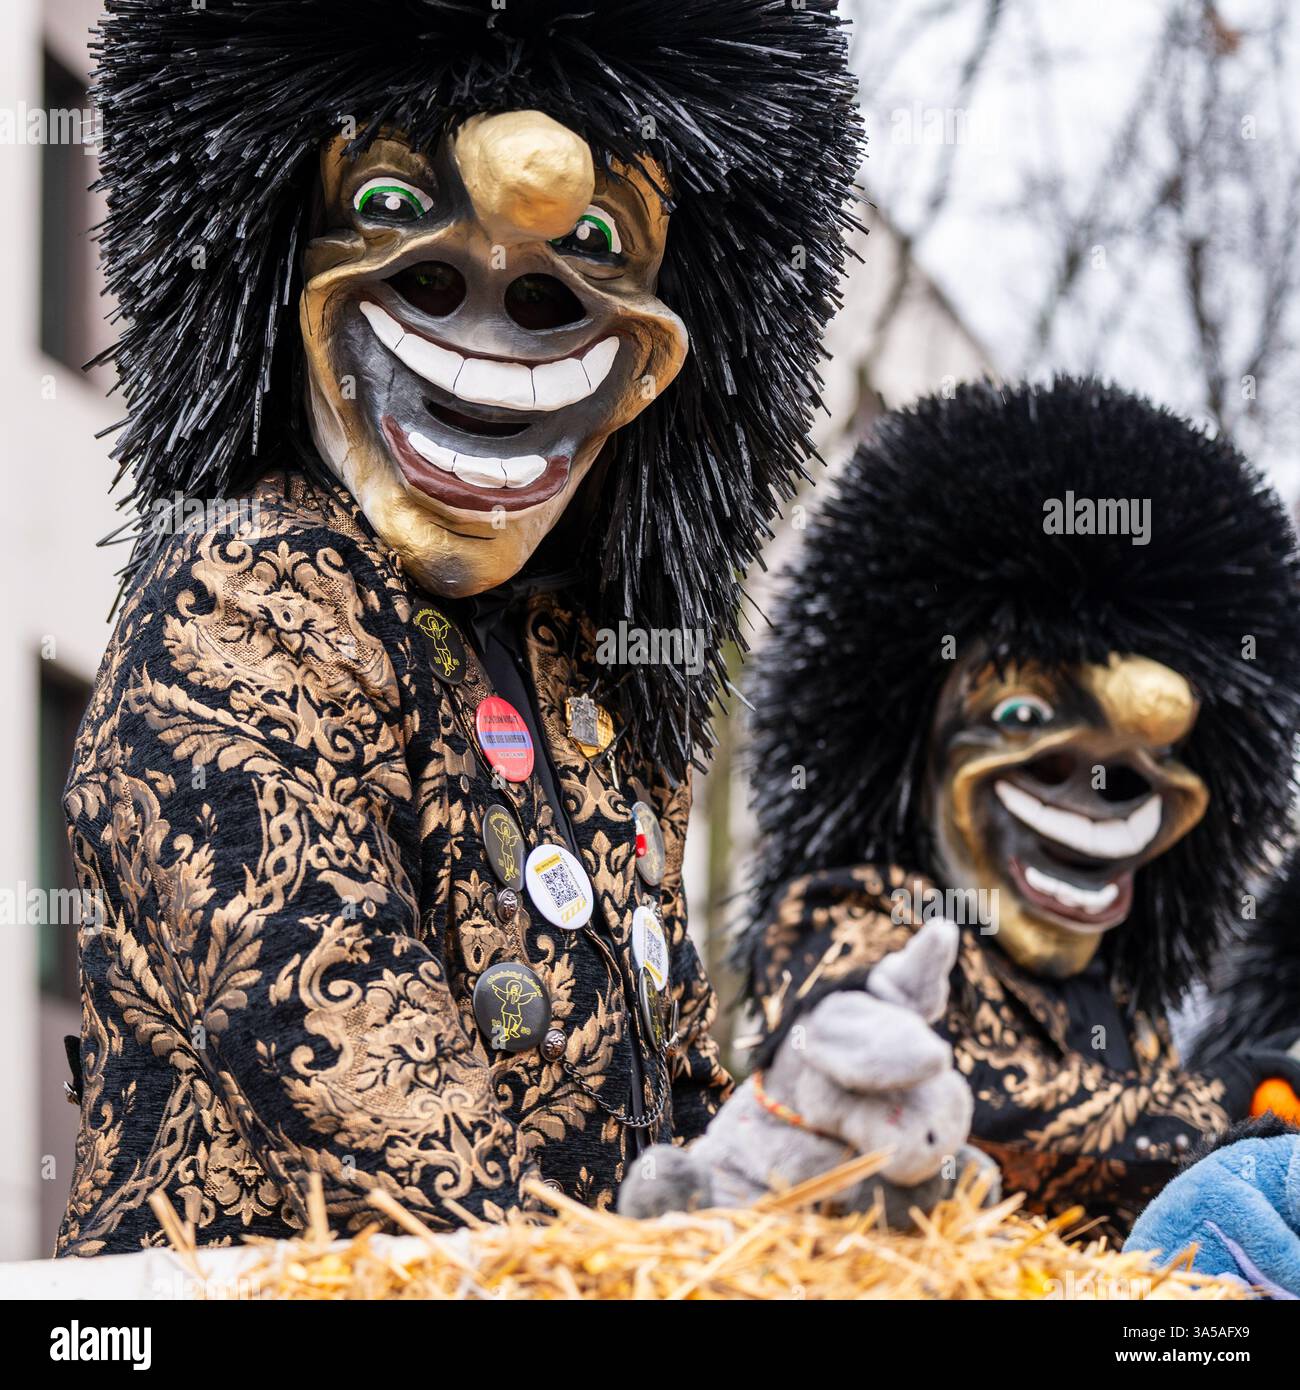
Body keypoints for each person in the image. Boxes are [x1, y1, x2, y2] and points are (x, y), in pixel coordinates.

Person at [56, 0, 862, 1255]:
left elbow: (683, 1122)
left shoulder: (594, 683)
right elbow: (391, 1136)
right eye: (407, 239)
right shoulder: (242, 595)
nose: (491, 323)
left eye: (580, 261)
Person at [737, 377, 1300, 1241]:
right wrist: (1225, 1100)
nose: (1095, 799)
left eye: (1144, 764)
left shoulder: (1131, 1014)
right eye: (1027, 722)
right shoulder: (855, 917)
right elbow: (942, 1105)